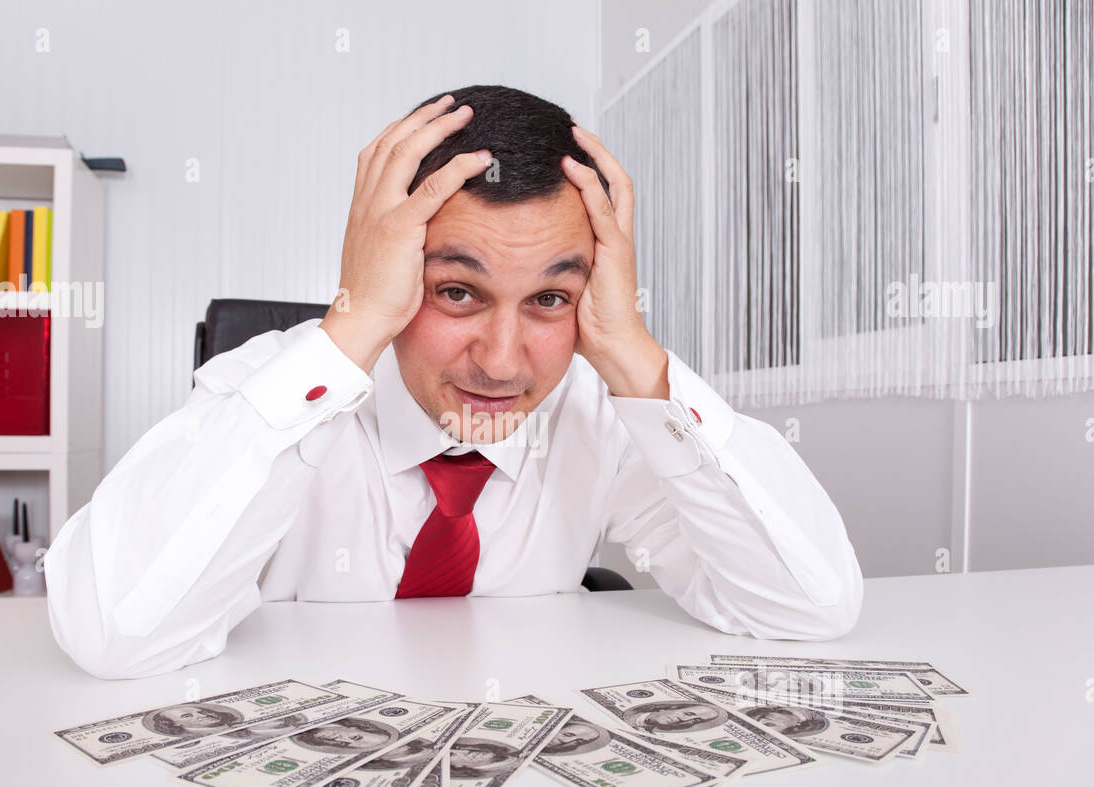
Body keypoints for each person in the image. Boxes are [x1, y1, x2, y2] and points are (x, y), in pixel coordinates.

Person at [45, 84, 865, 680]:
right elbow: (117, 633)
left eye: (551, 298)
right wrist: (355, 322)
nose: (503, 363)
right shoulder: (272, 392)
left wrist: (632, 355)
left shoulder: (598, 410)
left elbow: (808, 608)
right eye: (457, 292)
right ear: (389, 267)